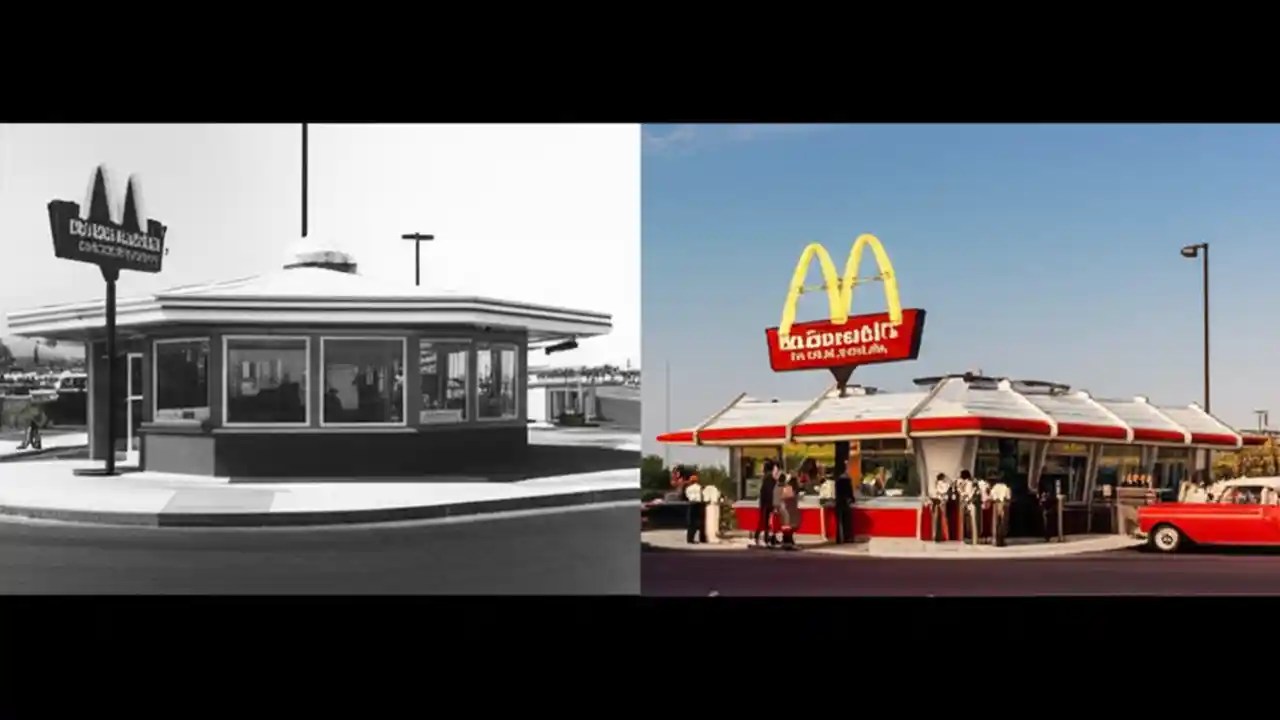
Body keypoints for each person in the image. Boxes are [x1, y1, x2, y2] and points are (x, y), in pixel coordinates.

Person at [755, 461, 780, 547]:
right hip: (768, 503)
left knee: (764, 521)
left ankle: (762, 537)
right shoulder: (770, 479)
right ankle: (763, 538)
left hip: (765, 503)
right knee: (766, 521)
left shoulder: (766, 479)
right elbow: (771, 492)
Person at [683, 468, 707, 544]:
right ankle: (702, 538)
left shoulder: (688, 488)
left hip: (691, 504)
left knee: (691, 523)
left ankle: (690, 539)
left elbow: (687, 496)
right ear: (697, 480)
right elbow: (703, 496)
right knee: (701, 522)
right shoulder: (700, 488)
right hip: (699, 504)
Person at [834, 469, 855, 544]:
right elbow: (850, 492)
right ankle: (847, 537)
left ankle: (839, 538)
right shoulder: (847, 480)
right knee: (847, 521)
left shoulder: (837, 481)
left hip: (838, 502)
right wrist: (852, 499)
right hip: (846, 502)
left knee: (839, 521)